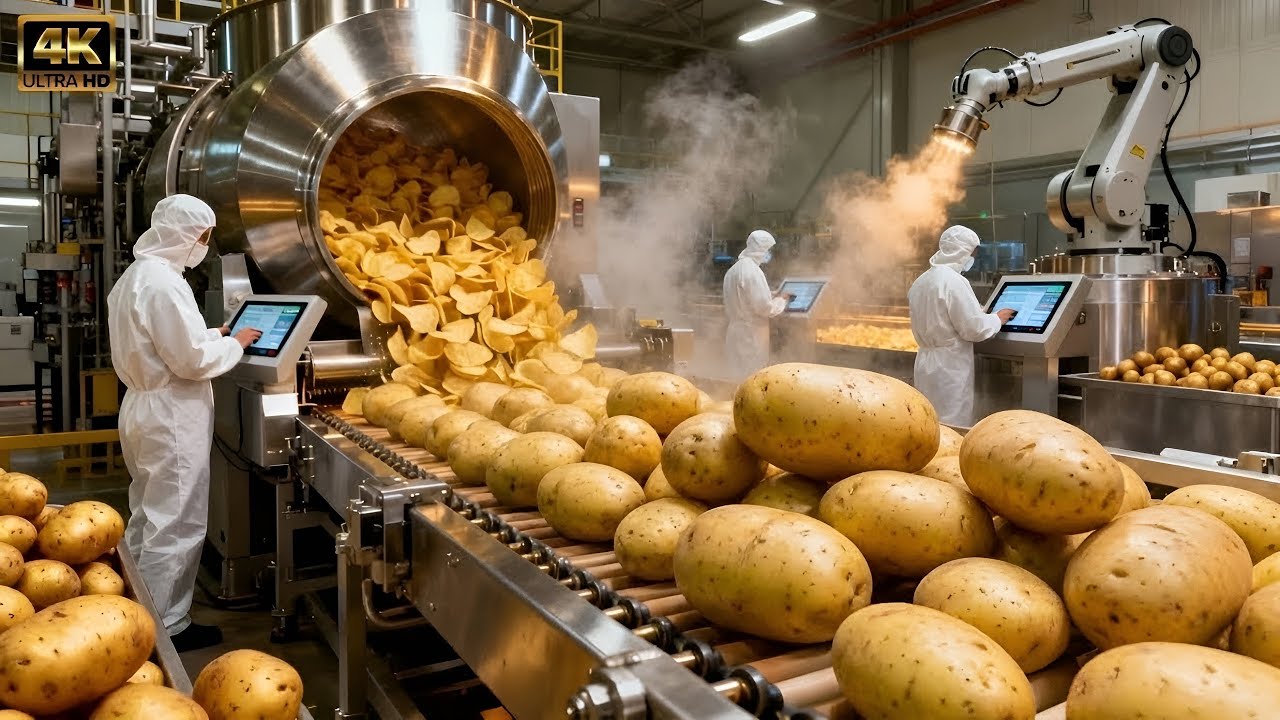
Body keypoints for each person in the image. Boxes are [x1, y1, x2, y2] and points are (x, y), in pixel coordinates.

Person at [107, 195, 262, 652]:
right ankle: (166, 628)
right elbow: (191, 361)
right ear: (183, 235)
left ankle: (138, 607)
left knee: (148, 513)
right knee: (175, 521)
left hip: (143, 406)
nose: (203, 245)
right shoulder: (165, 283)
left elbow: (166, 341)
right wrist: (238, 344)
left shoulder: (137, 277)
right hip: (171, 415)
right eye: (202, 236)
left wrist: (217, 333)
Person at [907, 225, 1016, 426]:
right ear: (963, 251)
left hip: (925, 363)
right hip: (950, 366)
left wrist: (978, 311)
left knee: (928, 420)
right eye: (973, 252)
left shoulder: (921, 281)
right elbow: (973, 329)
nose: (973, 258)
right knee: (952, 423)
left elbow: (943, 316)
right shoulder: (954, 281)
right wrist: (997, 318)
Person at [723, 230, 793, 380]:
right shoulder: (753, 271)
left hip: (735, 333)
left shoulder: (734, 270)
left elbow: (745, 297)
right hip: (751, 336)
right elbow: (764, 308)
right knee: (751, 379)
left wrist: (771, 294)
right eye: (768, 249)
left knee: (735, 377)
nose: (769, 254)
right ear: (761, 249)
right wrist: (783, 300)